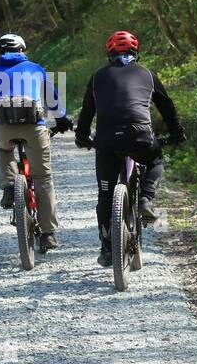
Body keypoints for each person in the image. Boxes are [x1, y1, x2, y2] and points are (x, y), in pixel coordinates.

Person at [75, 30, 186, 267]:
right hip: (140, 138)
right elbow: (167, 106)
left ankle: (107, 248)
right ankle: (145, 199)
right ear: (136, 52)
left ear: (109, 54)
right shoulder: (147, 74)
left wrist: (82, 137)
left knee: (105, 194)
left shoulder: (97, 76)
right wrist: (177, 133)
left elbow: (87, 111)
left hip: (106, 140)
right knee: (156, 161)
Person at [0, 32, 72, 251]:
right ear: (22, 49)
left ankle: (9, 186)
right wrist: (62, 119)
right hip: (34, 127)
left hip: (4, 128)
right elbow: (53, 99)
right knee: (43, 177)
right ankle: (48, 234)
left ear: (0, 52)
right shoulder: (36, 69)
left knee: (3, 148)